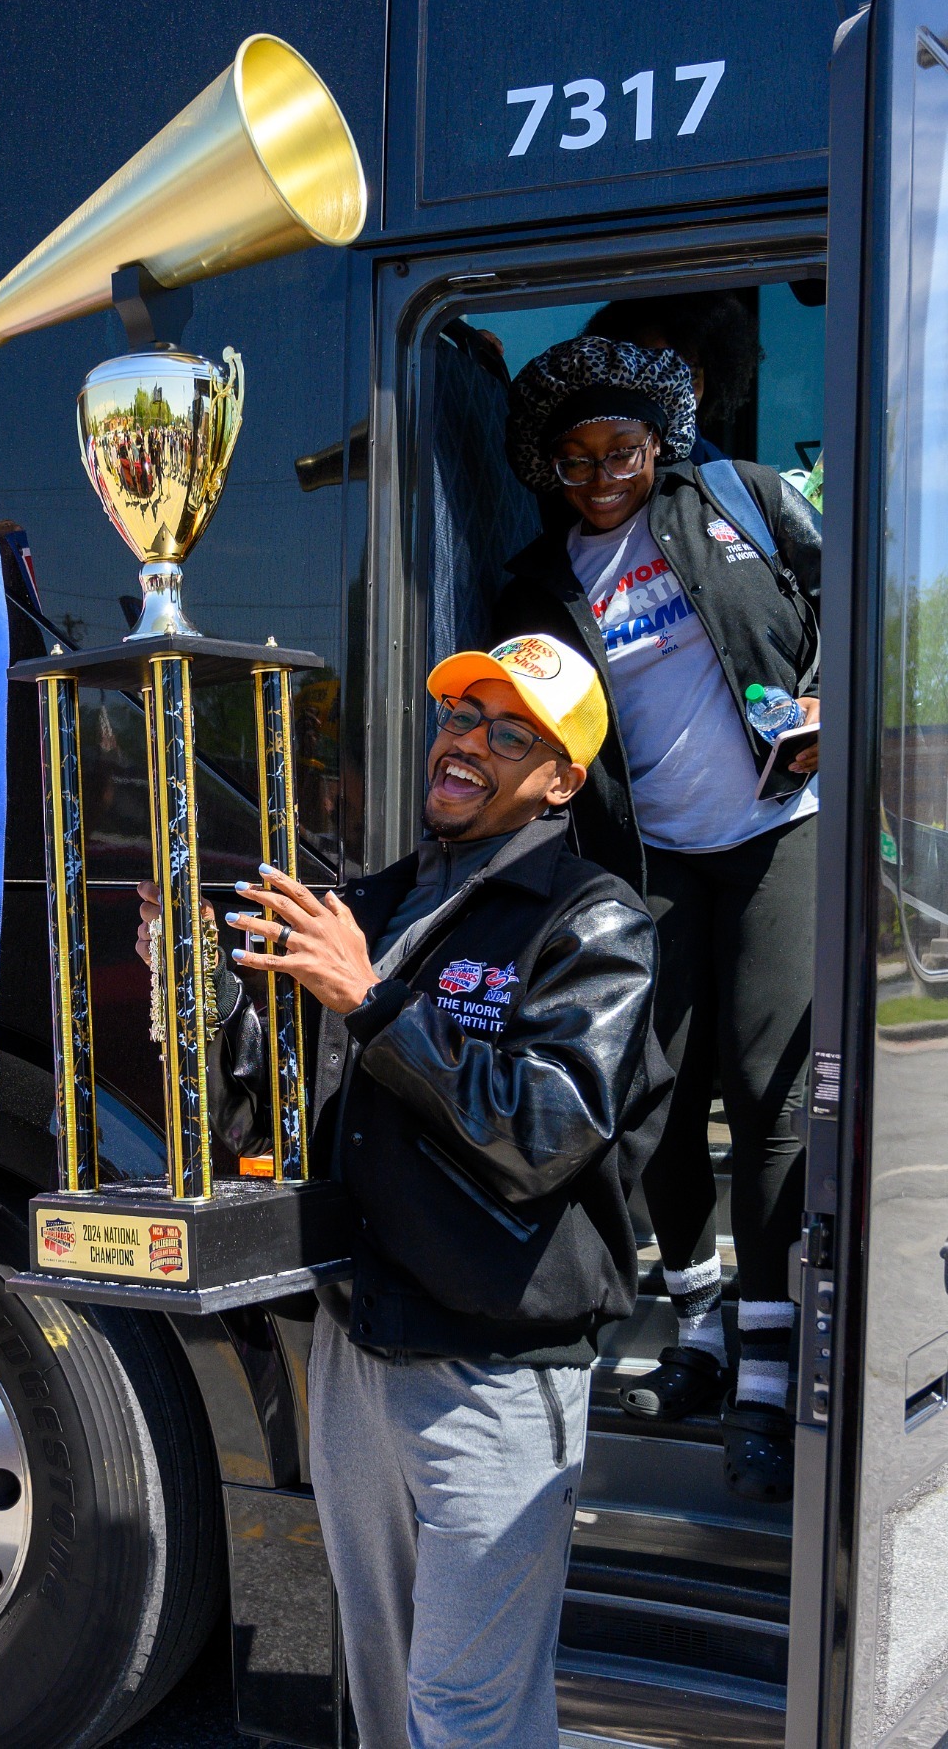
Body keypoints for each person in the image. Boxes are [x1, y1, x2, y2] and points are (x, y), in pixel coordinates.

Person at [143, 638, 668, 1748]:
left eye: (507, 731)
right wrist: (202, 1005)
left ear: (561, 779)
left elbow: (543, 1129)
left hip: (491, 1369)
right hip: (350, 1350)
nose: (465, 740)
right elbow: (279, 1114)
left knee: (465, 1712)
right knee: (379, 1698)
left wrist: (372, 999)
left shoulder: (590, 919)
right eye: (457, 715)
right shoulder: (370, 900)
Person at [489, 335, 821, 1502]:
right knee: (656, 1100)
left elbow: (844, 603)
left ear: (656, 442)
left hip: (778, 832)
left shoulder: (742, 498)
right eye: (571, 459)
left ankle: (768, 1383)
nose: (596, 476)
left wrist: (822, 703)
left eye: (617, 450)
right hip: (649, 859)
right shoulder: (537, 583)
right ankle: (697, 1330)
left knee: (767, 1087)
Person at [583, 292, 763, 464]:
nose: (679, 391)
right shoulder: (588, 473)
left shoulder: (724, 482)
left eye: (691, 374)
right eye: (658, 374)